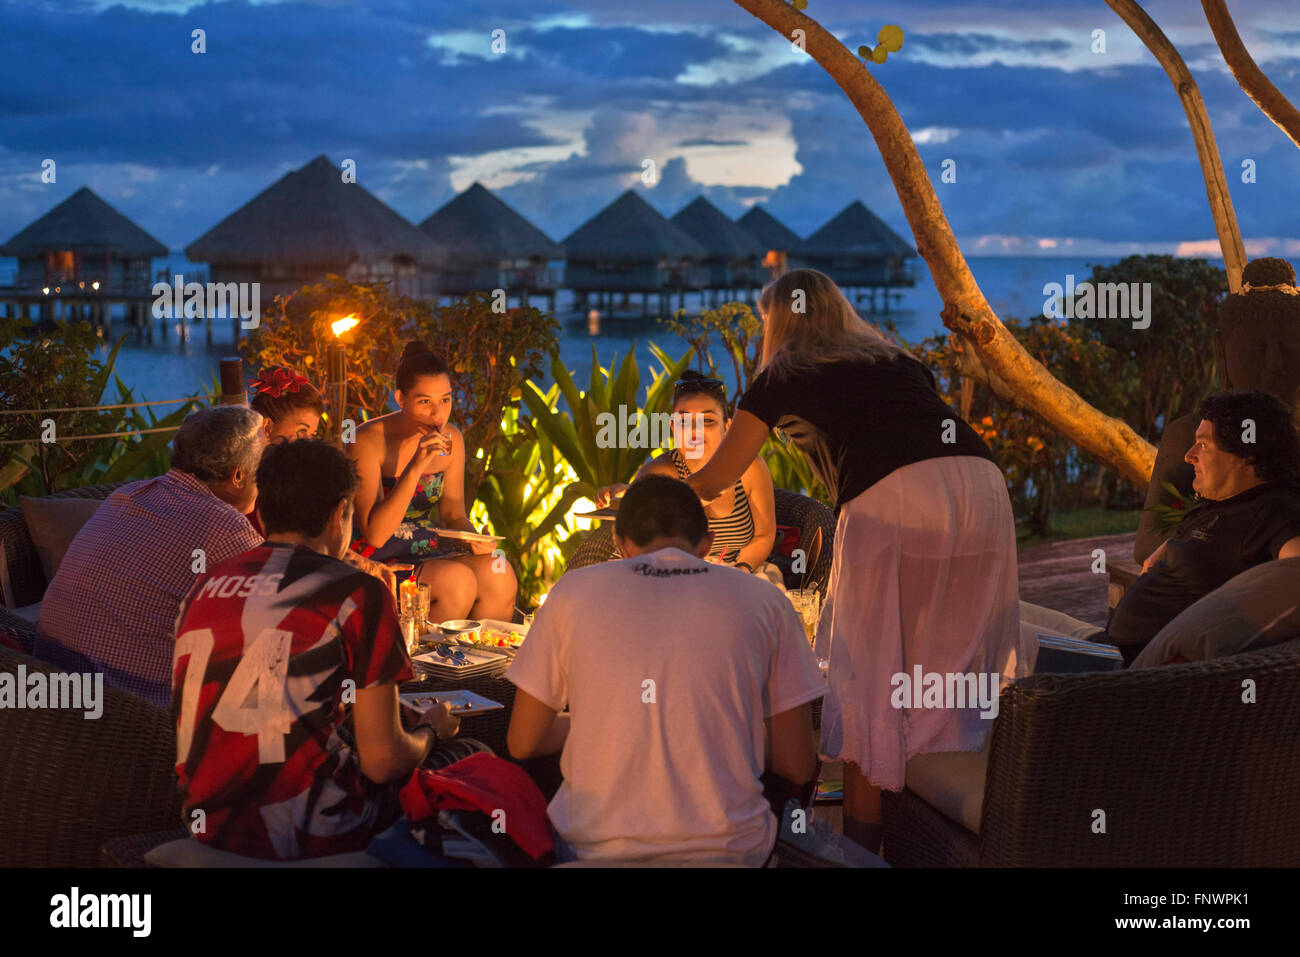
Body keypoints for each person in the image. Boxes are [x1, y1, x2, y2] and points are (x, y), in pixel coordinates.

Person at [681, 268, 1030, 855]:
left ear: (780, 321)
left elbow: (719, 473)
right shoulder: (896, 361)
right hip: (982, 487)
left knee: (868, 675)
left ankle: (865, 850)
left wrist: (651, 495)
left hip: (893, 496)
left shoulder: (781, 375)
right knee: (949, 654)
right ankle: (941, 803)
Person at [171, 439, 474, 860]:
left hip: (208, 826)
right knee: (471, 759)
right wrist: (430, 731)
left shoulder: (203, 587)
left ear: (262, 510)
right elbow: (383, 762)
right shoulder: (357, 592)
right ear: (339, 514)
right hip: (313, 829)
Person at [505, 476, 823, 865]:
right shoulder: (767, 602)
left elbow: (522, 741)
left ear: (620, 544)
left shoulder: (572, 592)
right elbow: (797, 763)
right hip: (730, 853)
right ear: (706, 544)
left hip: (594, 851)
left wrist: (609, 719)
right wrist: (723, 725)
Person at [1023, 389, 1300, 663]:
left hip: (1119, 669)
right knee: (995, 611)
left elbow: (1293, 576)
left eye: (1203, 445)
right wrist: (1168, 549)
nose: (1189, 455)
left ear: (1246, 456)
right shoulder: (1218, 503)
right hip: (1102, 641)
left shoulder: (1275, 513)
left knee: (994, 635)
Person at [35, 406, 267, 708]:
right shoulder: (224, 527)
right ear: (238, 475)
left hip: (50, 687)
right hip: (131, 714)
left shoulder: (129, 494)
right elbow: (293, 603)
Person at [1136, 257, 1300, 562]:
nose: (1274, 364)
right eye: (1257, 348)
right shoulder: (1190, 433)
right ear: (1222, 352)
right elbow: (1147, 543)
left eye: (1290, 347)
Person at [347, 340, 517, 622]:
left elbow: (453, 515)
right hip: (376, 558)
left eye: (446, 400)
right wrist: (416, 466)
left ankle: (482, 665)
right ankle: (424, 664)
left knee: (499, 571)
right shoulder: (367, 440)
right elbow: (374, 534)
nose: (437, 414)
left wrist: (473, 539)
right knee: (458, 582)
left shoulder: (452, 438)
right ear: (400, 398)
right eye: (424, 402)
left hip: (427, 548)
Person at [595, 370, 779, 581]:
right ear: (673, 427)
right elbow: (637, 509)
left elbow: (764, 536)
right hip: (670, 580)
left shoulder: (749, 468)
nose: (694, 431)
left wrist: (740, 569)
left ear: (727, 427)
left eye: (707, 421)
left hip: (736, 578)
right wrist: (624, 495)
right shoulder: (659, 474)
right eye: (684, 422)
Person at [243, 365, 325, 535]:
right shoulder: (248, 481)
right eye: (302, 431)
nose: (308, 442)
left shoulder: (290, 473)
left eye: (312, 434)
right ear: (267, 427)